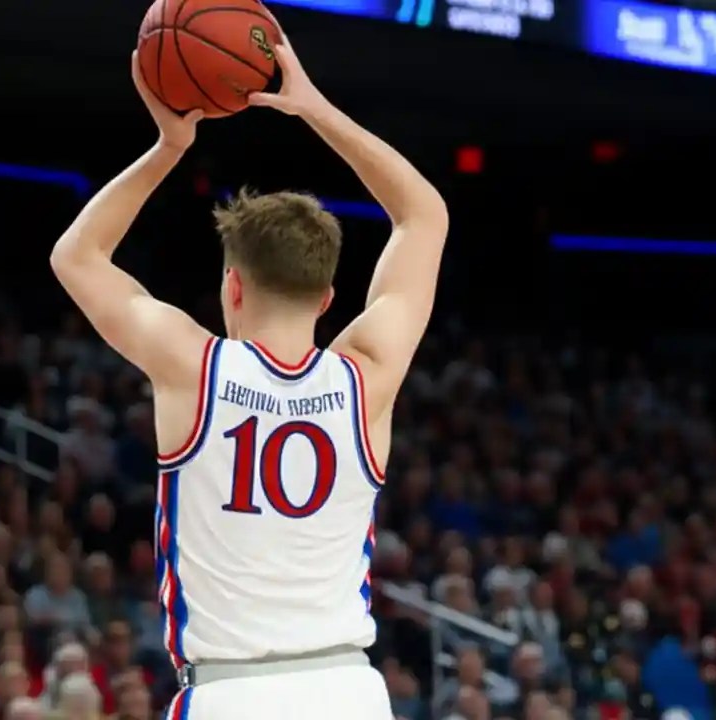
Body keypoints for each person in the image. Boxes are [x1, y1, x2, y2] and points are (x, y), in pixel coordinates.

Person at [48, 28, 447, 720]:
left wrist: (169, 147)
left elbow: (75, 257)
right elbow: (424, 216)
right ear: (327, 298)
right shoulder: (368, 376)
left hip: (233, 692)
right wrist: (314, 107)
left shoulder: (193, 367)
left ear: (232, 286)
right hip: (349, 690)